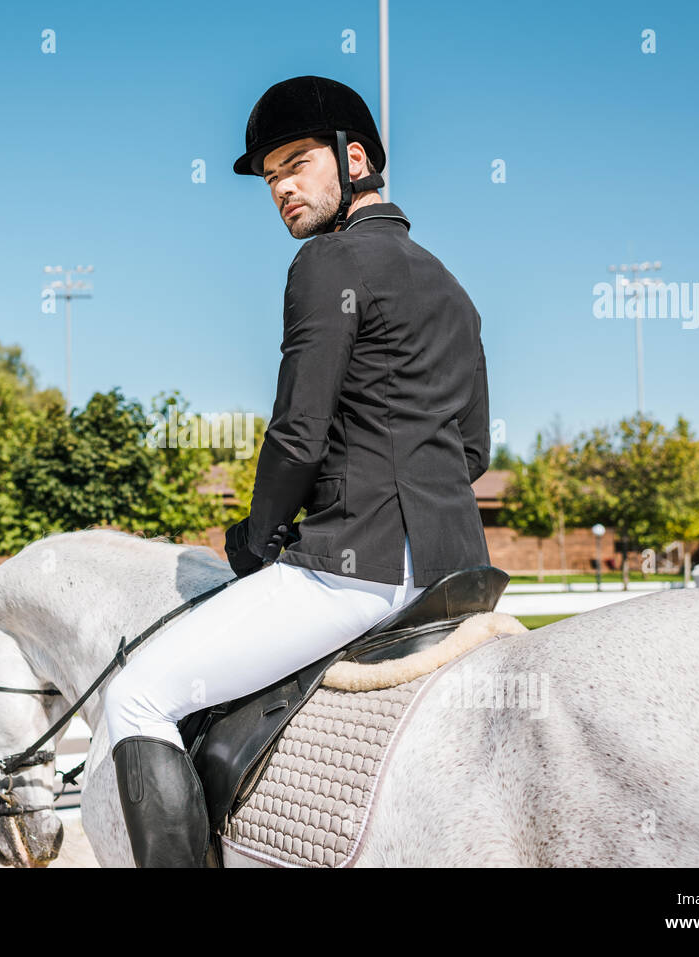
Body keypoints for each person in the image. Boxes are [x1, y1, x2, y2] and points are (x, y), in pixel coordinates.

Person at [103, 75, 492, 867]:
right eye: (270, 175)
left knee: (135, 694)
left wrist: (260, 533)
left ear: (355, 159)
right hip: (458, 569)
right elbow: (474, 451)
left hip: (360, 568)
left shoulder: (329, 261)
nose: (281, 186)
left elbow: (298, 431)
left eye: (296, 162)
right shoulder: (453, 288)